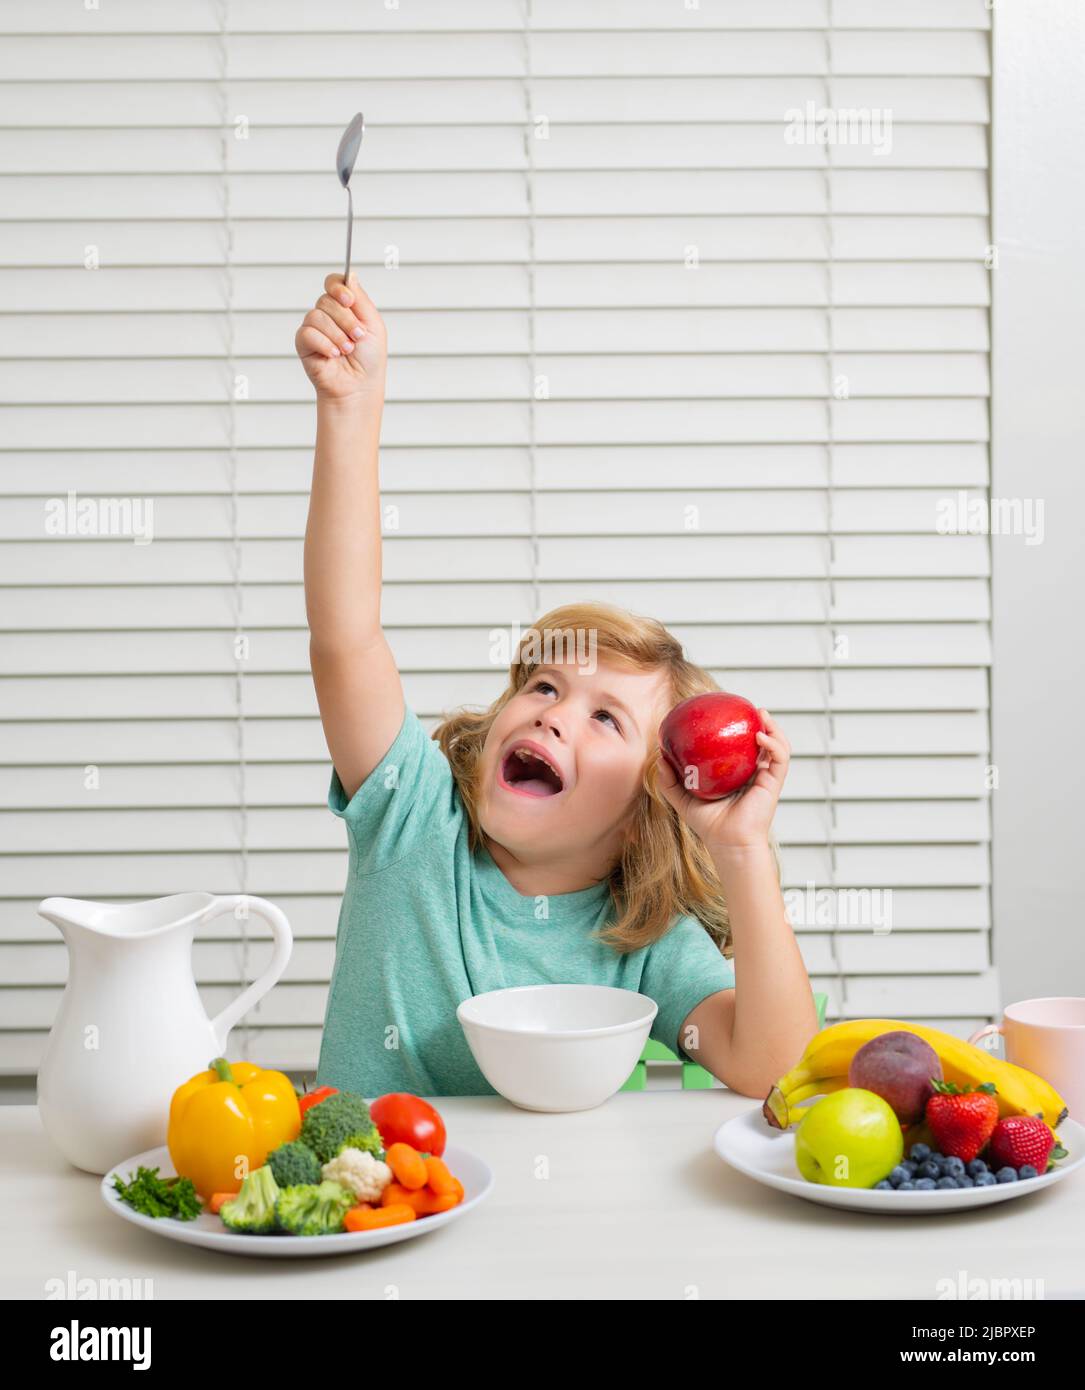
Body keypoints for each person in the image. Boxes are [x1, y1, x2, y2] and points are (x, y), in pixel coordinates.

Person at [297, 272, 818, 1098]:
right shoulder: (411, 818)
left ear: (652, 799)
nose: (554, 717)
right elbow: (344, 634)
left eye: (606, 719)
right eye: (543, 687)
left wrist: (743, 849)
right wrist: (350, 409)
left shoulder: (644, 939)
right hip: (372, 1212)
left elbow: (774, 1071)